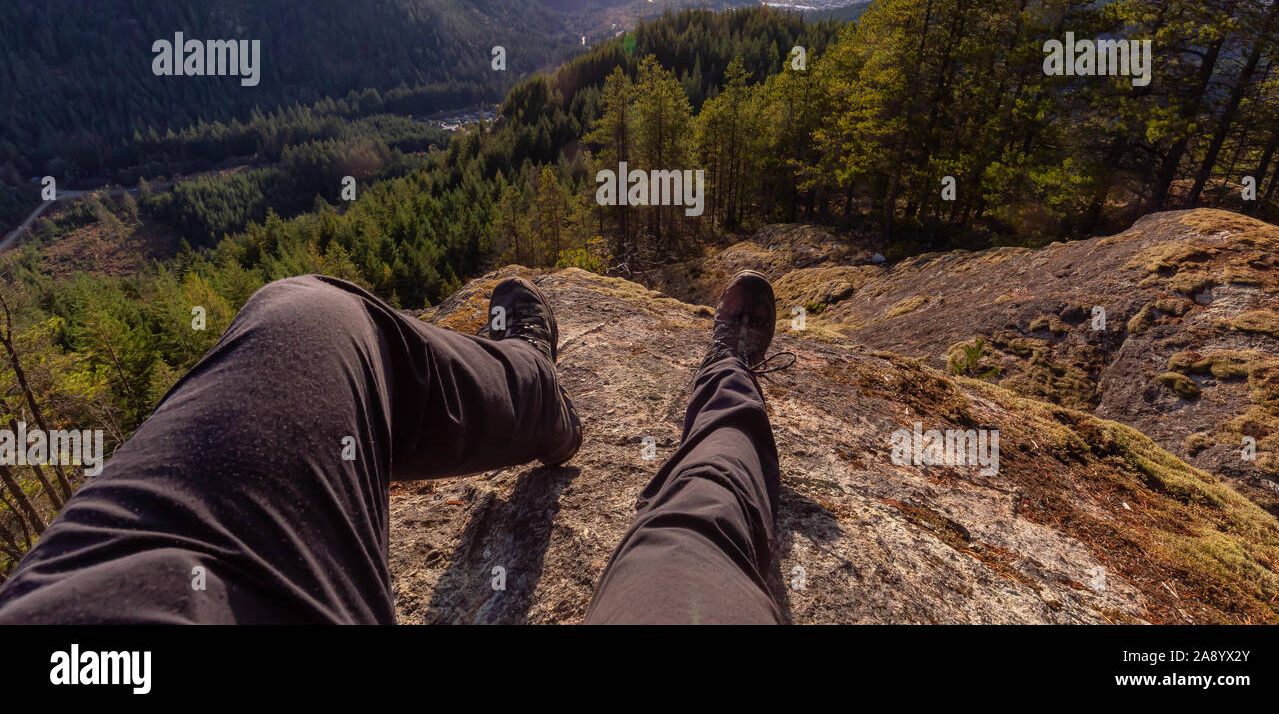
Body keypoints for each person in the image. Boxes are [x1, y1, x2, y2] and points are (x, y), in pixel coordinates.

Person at [0, 269, 783, 624]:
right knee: (694, 531)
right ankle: (726, 374)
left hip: (107, 591)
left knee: (308, 313)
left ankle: (536, 385)